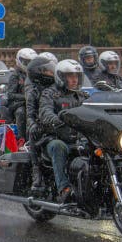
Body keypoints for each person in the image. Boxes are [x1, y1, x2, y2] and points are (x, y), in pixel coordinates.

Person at [38, 59, 88, 203]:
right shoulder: (50, 93)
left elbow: (93, 110)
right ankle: (64, 189)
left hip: (78, 138)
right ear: (61, 77)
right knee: (58, 146)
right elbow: (45, 112)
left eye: (76, 76)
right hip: (54, 137)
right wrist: (59, 121)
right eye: (70, 76)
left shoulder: (82, 95)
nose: (74, 79)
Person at [24, 54, 56, 192]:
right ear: (38, 73)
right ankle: (36, 170)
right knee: (33, 134)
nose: (52, 72)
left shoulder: (58, 87)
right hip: (41, 125)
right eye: (48, 70)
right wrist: (33, 124)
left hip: (56, 123)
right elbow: (30, 114)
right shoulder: (33, 92)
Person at [7, 47, 37, 141]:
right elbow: (10, 94)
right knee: (22, 112)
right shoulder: (15, 75)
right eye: (27, 62)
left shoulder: (36, 75)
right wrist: (25, 97)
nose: (29, 65)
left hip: (34, 102)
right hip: (19, 104)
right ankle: (21, 139)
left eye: (31, 62)